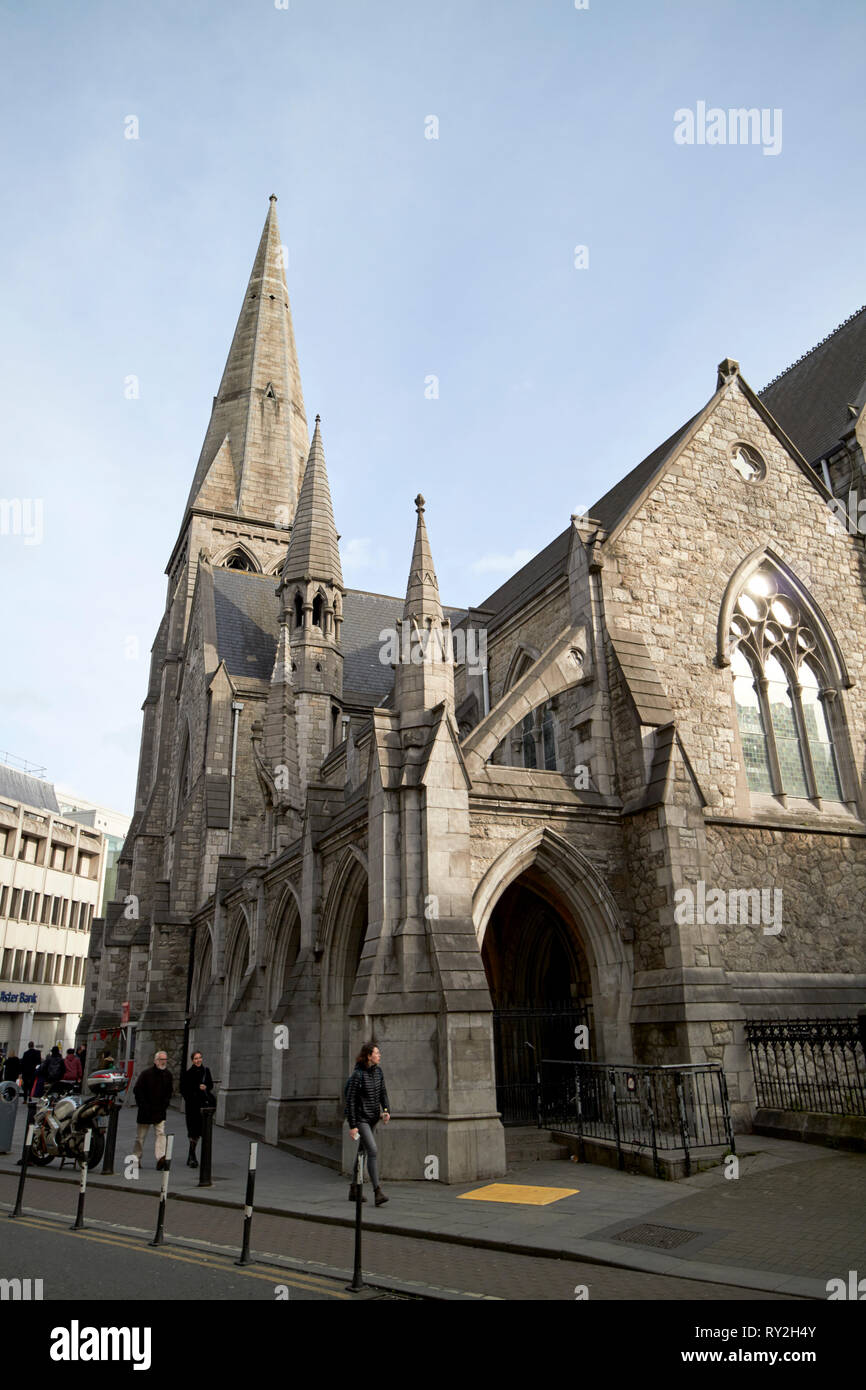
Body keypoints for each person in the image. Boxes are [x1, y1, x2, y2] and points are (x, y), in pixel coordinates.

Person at [345, 1042, 391, 1206]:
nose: (379, 1055)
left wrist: (386, 1110)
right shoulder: (358, 1075)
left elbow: (383, 1093)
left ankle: (353, 1189)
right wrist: (352, 1125)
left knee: (361, 1152)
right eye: (376, 1053)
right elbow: (350, 1101)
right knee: (372, 1150)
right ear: (369, 1056)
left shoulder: (378, 1072)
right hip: (361, 1119)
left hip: (373, 1118)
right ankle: (377, 1191)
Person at [132, 1051, 174, 1169]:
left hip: (160, 1110)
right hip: (145, 1110)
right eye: (161, 1059)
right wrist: (143, 1105)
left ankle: (161, 1158)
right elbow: (137, 1090)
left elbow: (169, 1092)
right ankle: (136, 1158)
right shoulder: (146, 1074)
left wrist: (165, 1104)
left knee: (161, 1134)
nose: (163, 1062)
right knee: (140, 1137)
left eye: (165, 1059)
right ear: (155, 1061)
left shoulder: (168, 1075)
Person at [180, 1050, 214, 1167]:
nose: (198, 1060)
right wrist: (196, 1088)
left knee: (202, 1132)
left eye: (200, 1058)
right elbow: (184, 1090)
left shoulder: (206, 1071)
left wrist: (206, 1087)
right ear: (192, 1060)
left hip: (204, 1107)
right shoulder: (188, 1073)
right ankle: (192, 1156)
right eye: (196, 1058)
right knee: (193, 1132)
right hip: (192, 1108)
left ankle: (193, 1156)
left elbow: (210, 1085)